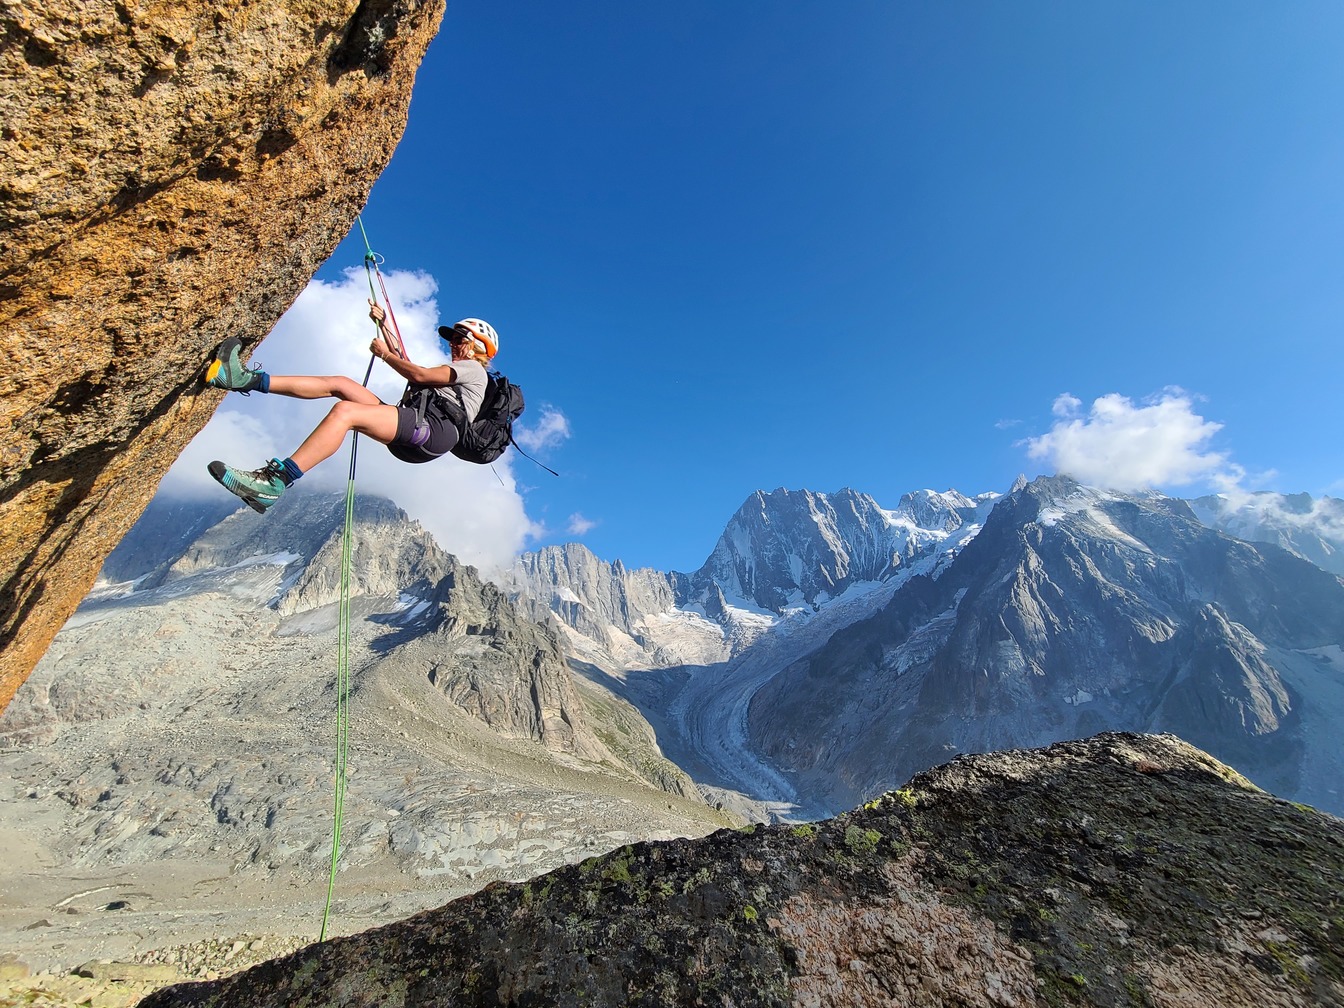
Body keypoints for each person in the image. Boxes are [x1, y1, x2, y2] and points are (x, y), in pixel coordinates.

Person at [203, 301, 498, 513]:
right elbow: (407, 361)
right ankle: (241, 379)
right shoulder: (456, 372)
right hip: (422, 428)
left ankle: (274, 483)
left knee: (345, 412)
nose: (454, 344)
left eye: (461, 339)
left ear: (478, 347)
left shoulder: (474, 369)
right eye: (454, 339)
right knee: (341, 384)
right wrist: (384, 324)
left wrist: (384, 355)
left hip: (432, 430)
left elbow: (418, 374)